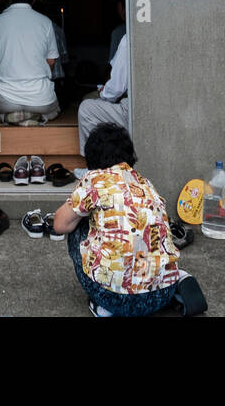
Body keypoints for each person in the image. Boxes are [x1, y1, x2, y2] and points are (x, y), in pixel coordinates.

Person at [52, 124, 181, 317]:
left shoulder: (95, 179)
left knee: (76, 224)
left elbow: (59, 225)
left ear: (91, 156)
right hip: (163, 294)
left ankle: (103, 307)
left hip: (114, 298)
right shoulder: (145, 183)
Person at [0, 0, 59, 124]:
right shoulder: (46, 23)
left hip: (5, 99)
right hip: (40, 99)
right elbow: (51, 61)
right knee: (56, 109)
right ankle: (38, 117)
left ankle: (6, 117)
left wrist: (4, 75)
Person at [77, 32, 130, 160]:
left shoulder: (129, 38)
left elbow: (116, 88)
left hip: (135, 113)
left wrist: (103, 93)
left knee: (86, 108)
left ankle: (94, 165)